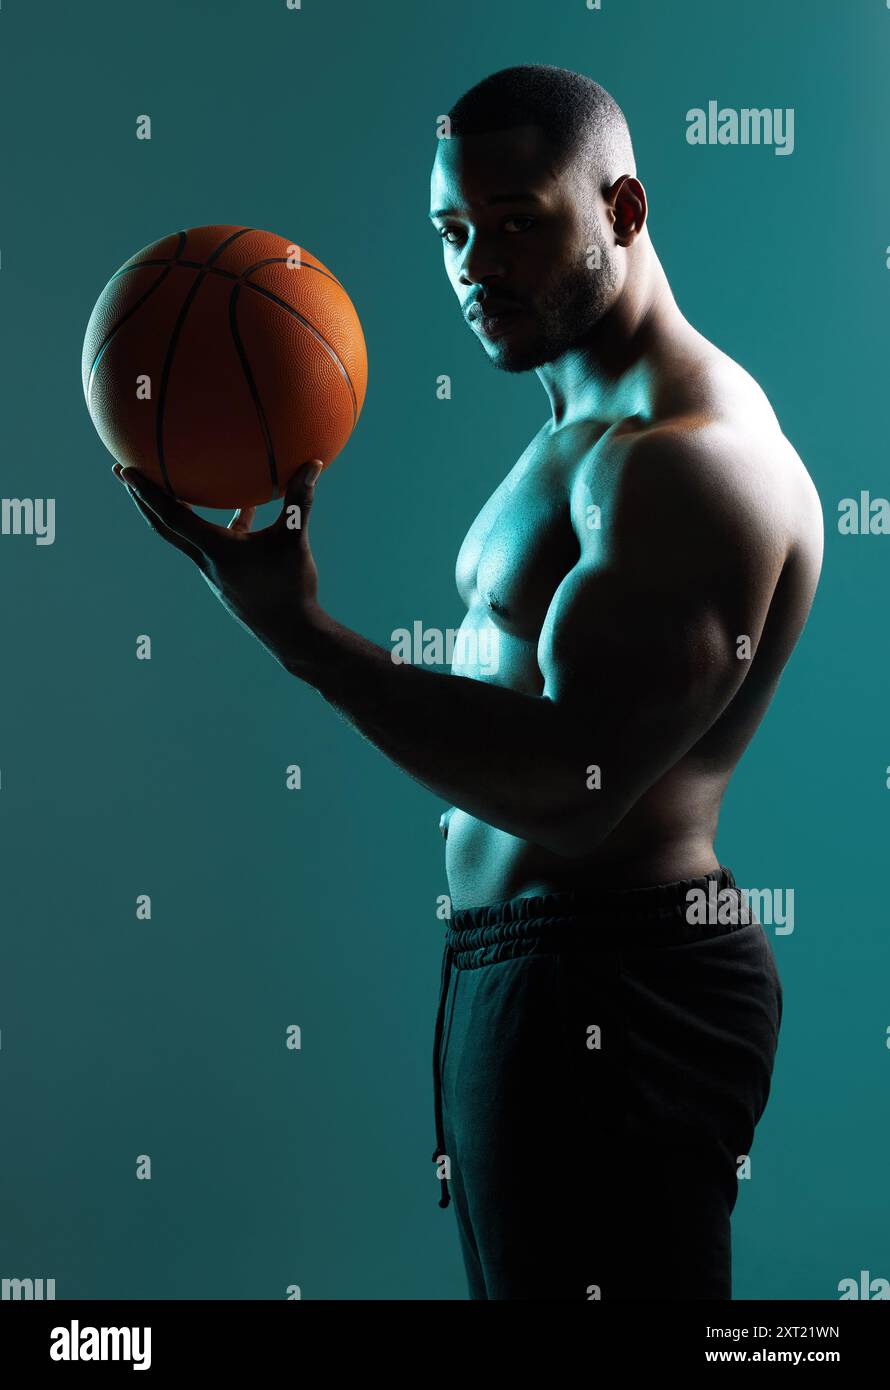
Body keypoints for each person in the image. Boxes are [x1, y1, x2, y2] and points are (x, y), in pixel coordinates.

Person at [112, 64, 823, 1300]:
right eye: (451, 231)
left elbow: (572, 789)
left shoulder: (692, 463)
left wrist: (300, 636)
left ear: (622, 209)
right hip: (527, 971)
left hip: (620, 982)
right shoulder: (572, 431)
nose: (473, 265)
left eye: (513, 223)